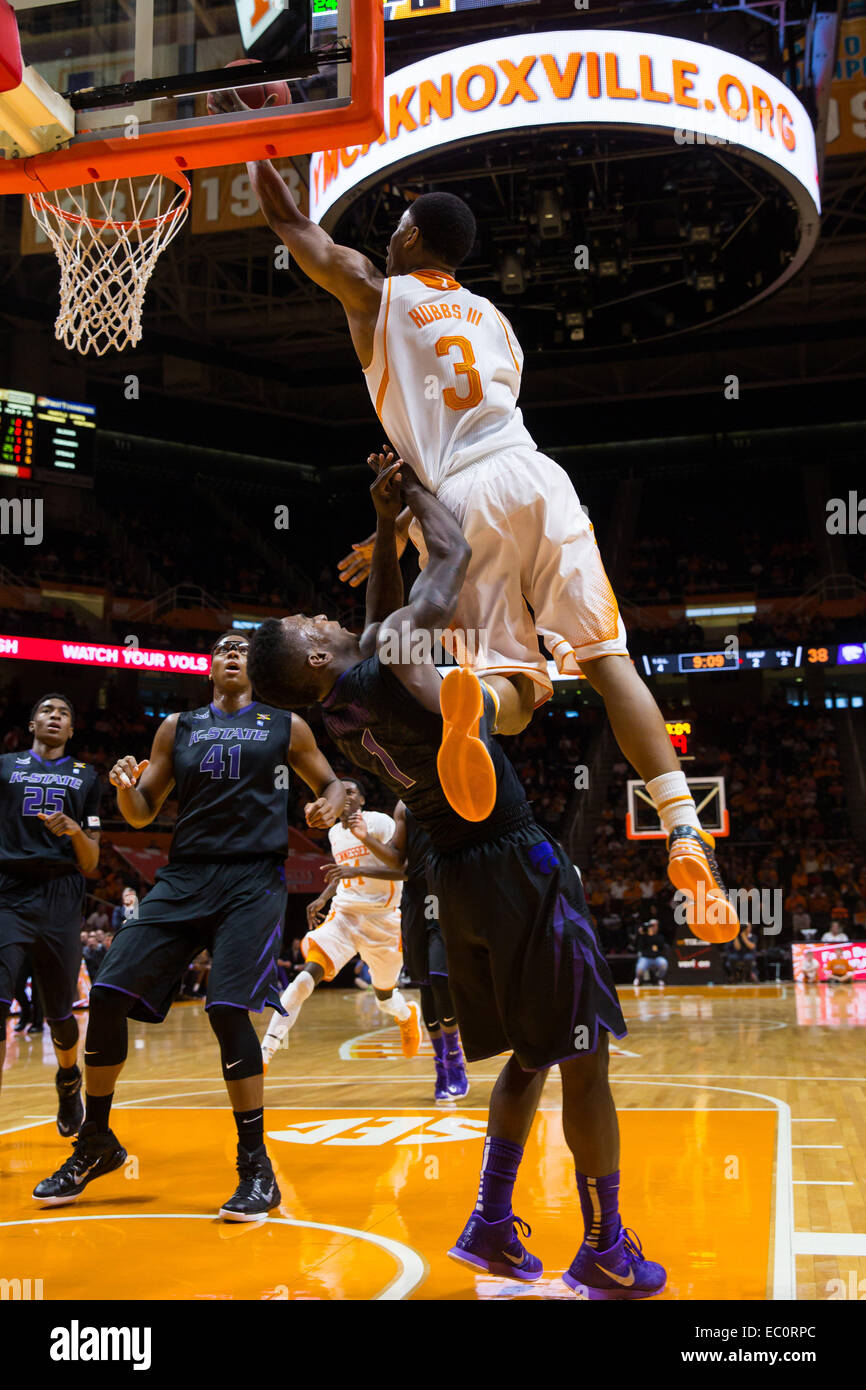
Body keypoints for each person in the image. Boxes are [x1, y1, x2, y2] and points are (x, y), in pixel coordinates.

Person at [207, 105, 737, 944]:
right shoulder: (496, 322)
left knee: (516, 694)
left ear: (414, 236)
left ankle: (477, 700)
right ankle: (683, 826)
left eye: (397, 228)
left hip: (458, 501)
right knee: (606, 660)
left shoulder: (375, 292)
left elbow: (291, 222)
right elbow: (469, 419)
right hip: (539, 476)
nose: (387, 238)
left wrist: (253, 139)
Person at [246, 457, 666, 1298]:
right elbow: (453, 561)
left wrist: (379, 508)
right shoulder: (388, 655)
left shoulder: (341, 705)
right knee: (583, 1058)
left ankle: (491, 1225)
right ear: (315, 652)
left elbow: (380, 623)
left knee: (532, 1057)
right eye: (307, 619)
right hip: (511, 863)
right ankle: (606, 1245)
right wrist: (422, 495)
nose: (318, 611)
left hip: (449, 875)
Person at [32, 633, 345, 1221]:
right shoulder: (178, 726)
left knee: (227, 1009)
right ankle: (97, 1141)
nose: (232, 653)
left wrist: (329, 803)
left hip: (253, 880)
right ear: (209, 668)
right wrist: (127, 790)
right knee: (105, 994)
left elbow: (329, 783)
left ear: (254, 668)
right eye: (222, 648)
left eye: (243, 650)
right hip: (185, 877)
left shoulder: (286, 725)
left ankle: (256, 1169)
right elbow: (143, 811)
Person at [260, 779, 420, 1065]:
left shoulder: (380, 823)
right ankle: (265, 1052)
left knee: (385, 999)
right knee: (302, 982)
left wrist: (363, 841)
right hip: (344, 916)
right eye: (340, 792)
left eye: (351, 792)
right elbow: (345, 875)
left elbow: (403, 871)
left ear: (361, 800)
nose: (345, 796)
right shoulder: (334, 833)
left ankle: (407, 1015)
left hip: (382, 920)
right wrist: (323, 897)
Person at [0, 693, 101, 1137]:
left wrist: (75, 829)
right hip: (9, 894)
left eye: (64, 712)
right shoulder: (4, 768)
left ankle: (68, 1079)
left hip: (61, 895)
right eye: (47, 710)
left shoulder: (86, 777)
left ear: (72, 730)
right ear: (32, 722)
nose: (55, 716)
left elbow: (92, 861)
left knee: (61, 1014)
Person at [359, 797, 469, 1102]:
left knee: (439, 977)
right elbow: (397, 859)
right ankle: (442, 1068)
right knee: (424, 984)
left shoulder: (455, 791)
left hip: (447, 892)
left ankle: (455, 1059)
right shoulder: (403, 803)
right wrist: (364, 837)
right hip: (415, 895)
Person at [633, 919, 668, 990]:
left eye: (654, 925)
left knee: (664, 963)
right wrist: (640, 934)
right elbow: (637, 946)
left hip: (656, 958)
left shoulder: (660, 937)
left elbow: (662, 948)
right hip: (645, 958)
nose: (653, 927)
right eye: (651, 925)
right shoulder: (643, 936)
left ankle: (659, 979)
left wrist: (652, 935)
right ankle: (639, 979)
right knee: (640, 967)